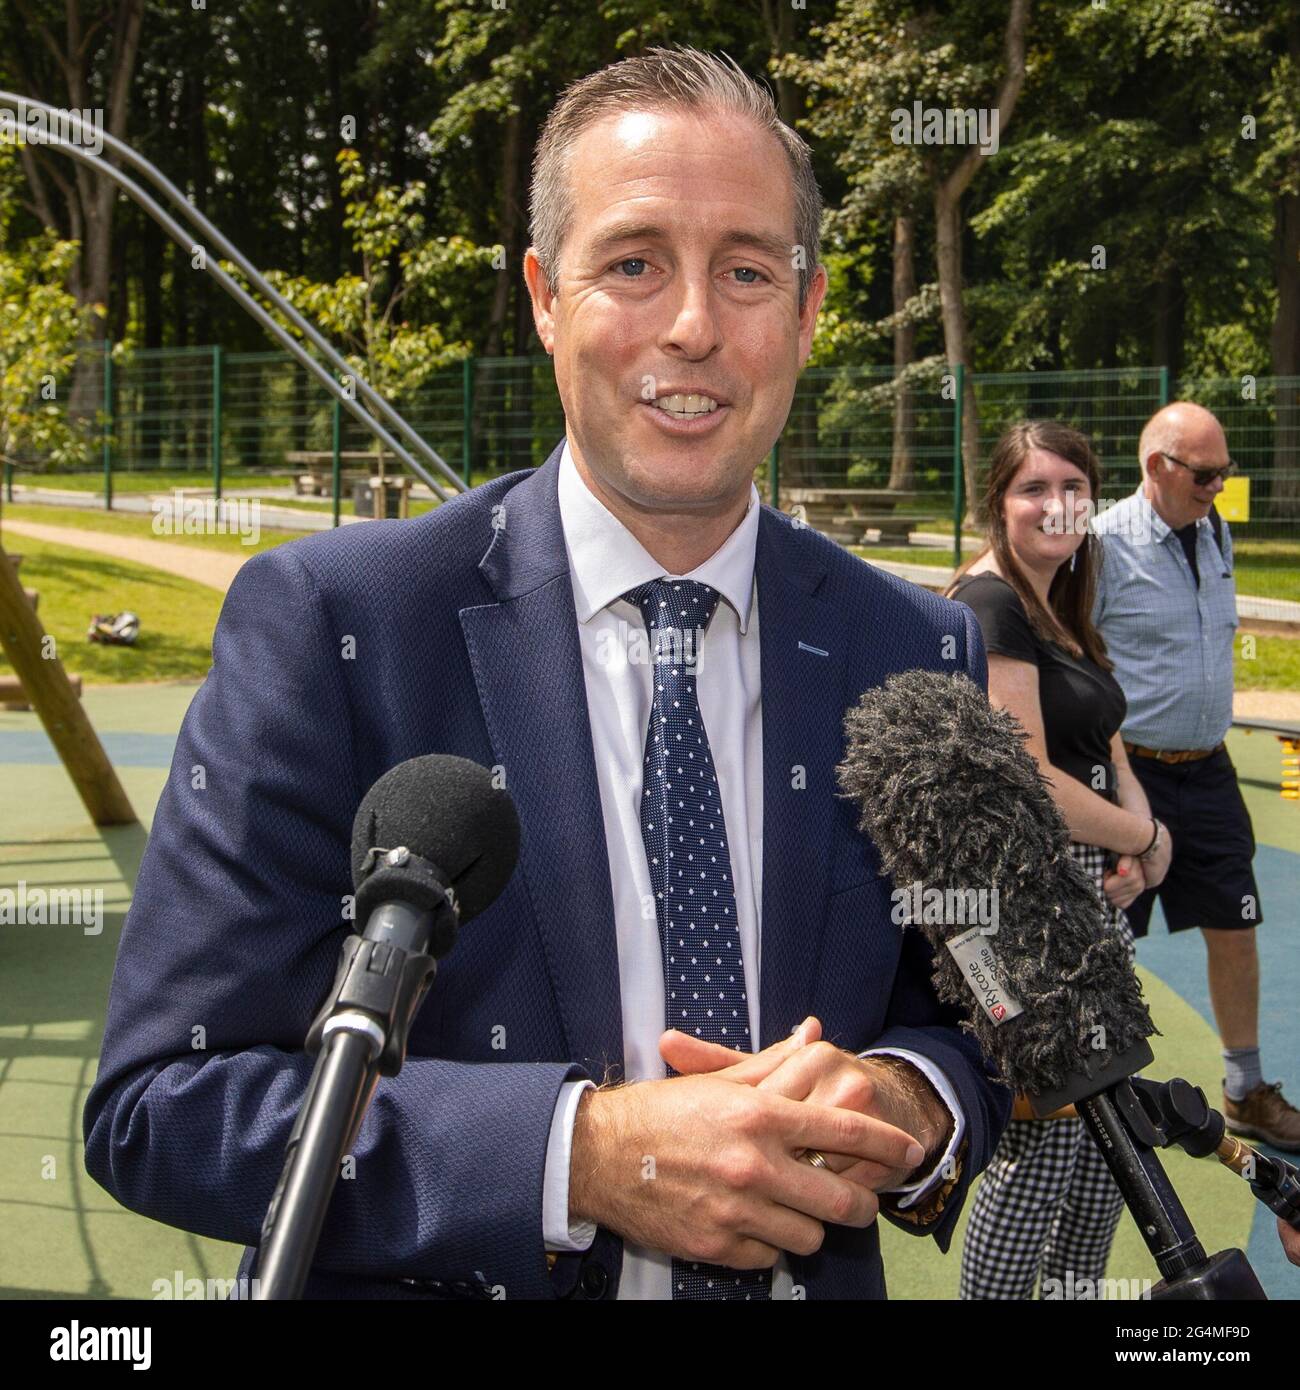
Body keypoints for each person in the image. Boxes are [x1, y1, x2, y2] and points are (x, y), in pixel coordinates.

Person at [82, 46, 1011, 1301]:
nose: (691, 325)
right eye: (633, 264)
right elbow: (164, 1100)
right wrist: (581, 1155)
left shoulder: (920, 648)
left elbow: (982, 1012)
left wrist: (905, 1094)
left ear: (806, 310)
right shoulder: (332, 623)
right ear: (542, 297)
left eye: (744, 270)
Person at [944, 420, 1172, 1299]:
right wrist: (1143, 840)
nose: (1054, 506)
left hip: (1088, 898)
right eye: (1032, 488)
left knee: (1102, 1149)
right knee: (1043, 1142)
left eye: (1071, 489)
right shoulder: (991, 603)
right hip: (1026, 909)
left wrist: (1140, 845)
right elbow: (1030, 776)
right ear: (999, 503)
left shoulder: (1060, 608)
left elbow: (1106, 751)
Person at [1092, 403, 1300, 1151]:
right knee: (1106, 939)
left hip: (1207, 770)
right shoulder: (1104, 543)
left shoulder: (1215, 532)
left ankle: (1245, 1092)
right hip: (1129, 776)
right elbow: (1080, 660)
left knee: (1236, 923)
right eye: (1205, 473)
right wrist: (1112, 780)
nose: (1219, 486)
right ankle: (1092, 1097)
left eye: (1225, 472)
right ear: (1157, 468)